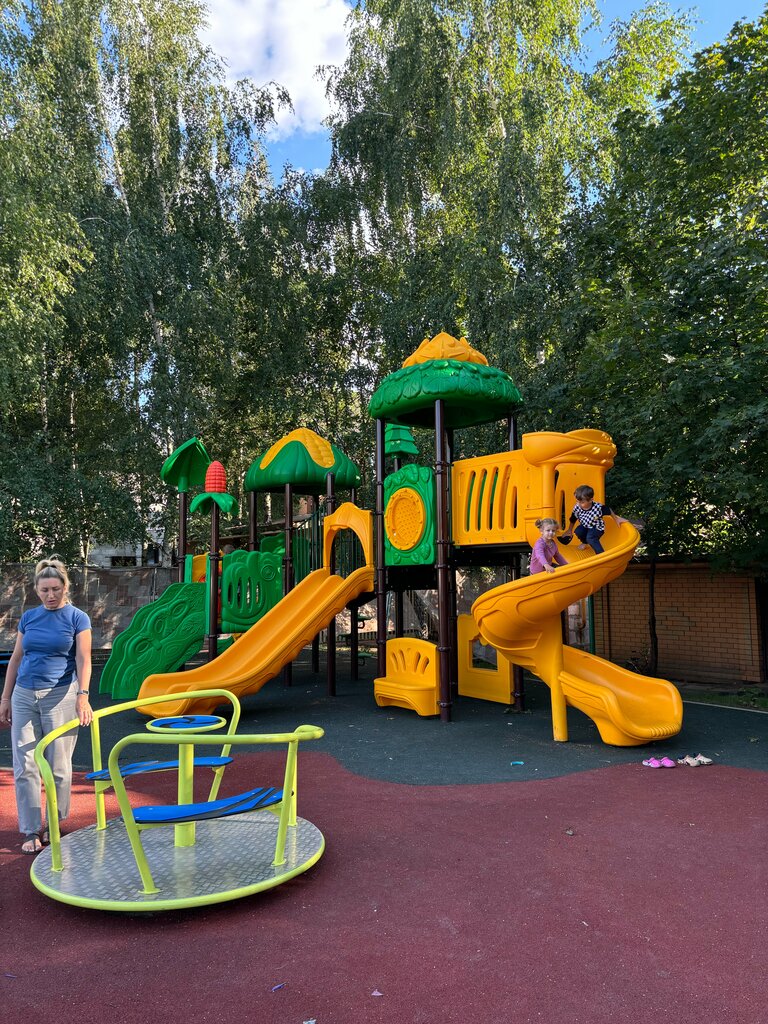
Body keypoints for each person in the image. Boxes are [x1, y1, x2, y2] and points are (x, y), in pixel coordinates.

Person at [0, 557, 93, 854]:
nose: (50, 595)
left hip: (61, 696)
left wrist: (83, 695)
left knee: (59, 767)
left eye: (55, 589)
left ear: (65, 587)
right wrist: (5, 697)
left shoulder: (78, 618)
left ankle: (55, 823)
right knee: (24, 765)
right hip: (24, 695)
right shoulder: (28, 617)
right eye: (44, 590)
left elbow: (83, 658)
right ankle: (30, 830)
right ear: (37, 590)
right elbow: (16, 658)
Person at [560, 485, 629, 555]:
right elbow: (573, 518)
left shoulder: (598, 508)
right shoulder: (577, 507)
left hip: (597, 528)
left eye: (582, 502)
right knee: (578, 531)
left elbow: (609, 510)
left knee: (590, 538)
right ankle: (585, 542)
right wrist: (569, 530)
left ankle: (601, 555)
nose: (579, 504)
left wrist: (616, 519)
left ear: (590, 500)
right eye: (577, 501)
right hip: (585, 526)